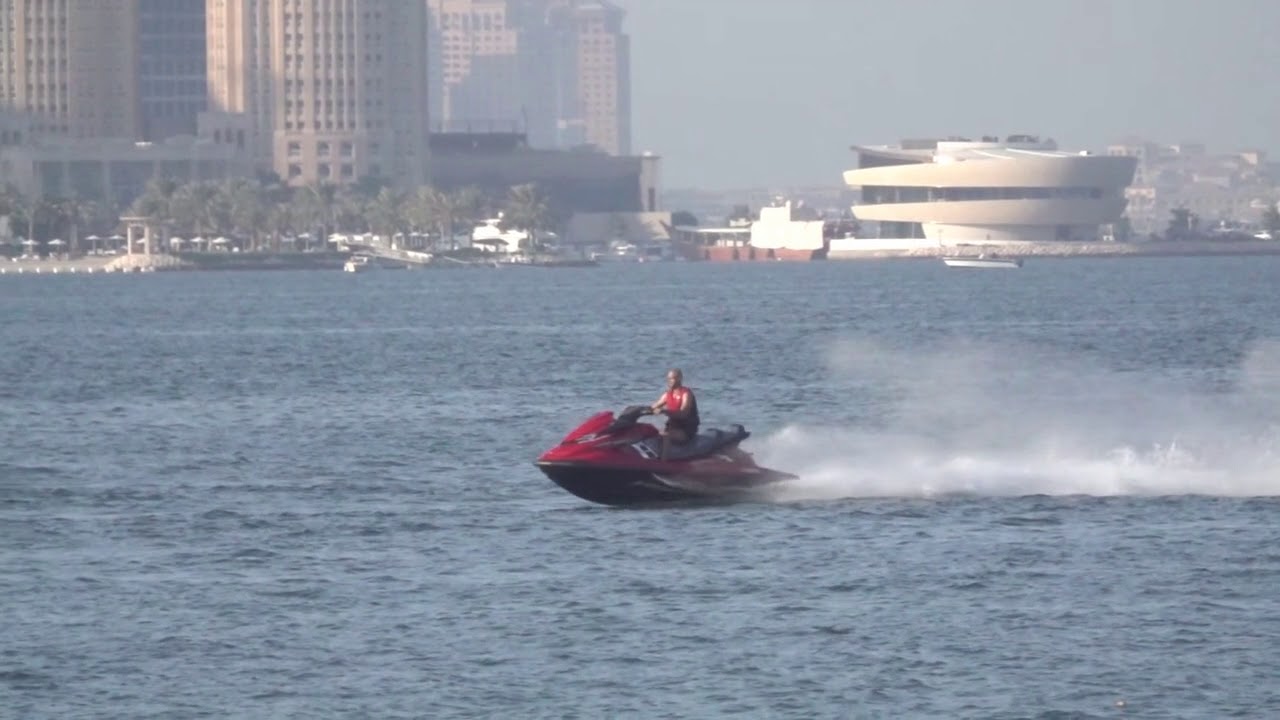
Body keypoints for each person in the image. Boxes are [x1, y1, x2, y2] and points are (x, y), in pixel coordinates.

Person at [650, 368, 699, 459]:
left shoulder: (686, 394)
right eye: (668, 379)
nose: (669, 381)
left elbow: (683, 413)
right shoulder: (667, 395)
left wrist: (664, 411)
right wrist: (640, 410)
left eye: (672, 378)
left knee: (666, 436)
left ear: (679, 379)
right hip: (673, 427)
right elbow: (655, 406)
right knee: (652, 432)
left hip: (686, 430)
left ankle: (663, 463)